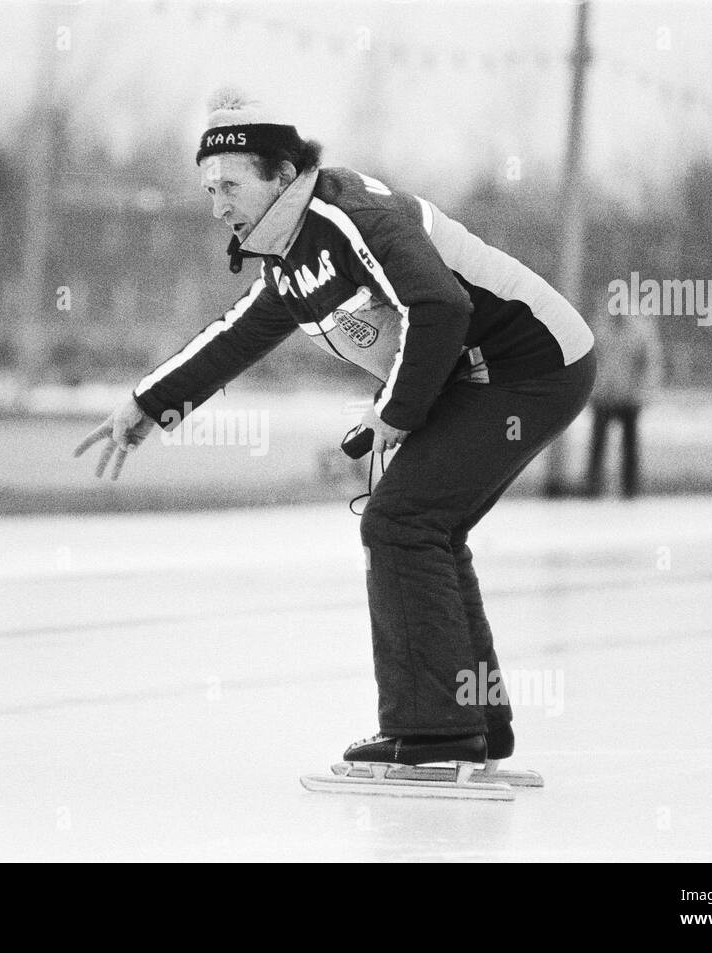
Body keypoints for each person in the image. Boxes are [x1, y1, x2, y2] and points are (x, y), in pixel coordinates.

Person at [74, 89, 596, 773]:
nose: (217, 203)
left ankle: (437, 730)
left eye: (230, 184)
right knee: (421, 524)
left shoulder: (351, 216)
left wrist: (397, 413)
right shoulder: (290, 259)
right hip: (480, 373)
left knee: (401, 520)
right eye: (209, 188)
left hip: (531, 363)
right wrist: (149, 403)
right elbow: (235, 338)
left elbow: (439, 305)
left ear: (281, 176)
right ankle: (475, 720)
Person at [583, 304, 663, 498]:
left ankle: (631, 487)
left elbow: (649, 364)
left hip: (629, 396)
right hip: (604, 395)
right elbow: (591, 360)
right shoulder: (599, 330)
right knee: (598, 445)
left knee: (629, 445)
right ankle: (592, 486)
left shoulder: (639, 332)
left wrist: (643, 391)